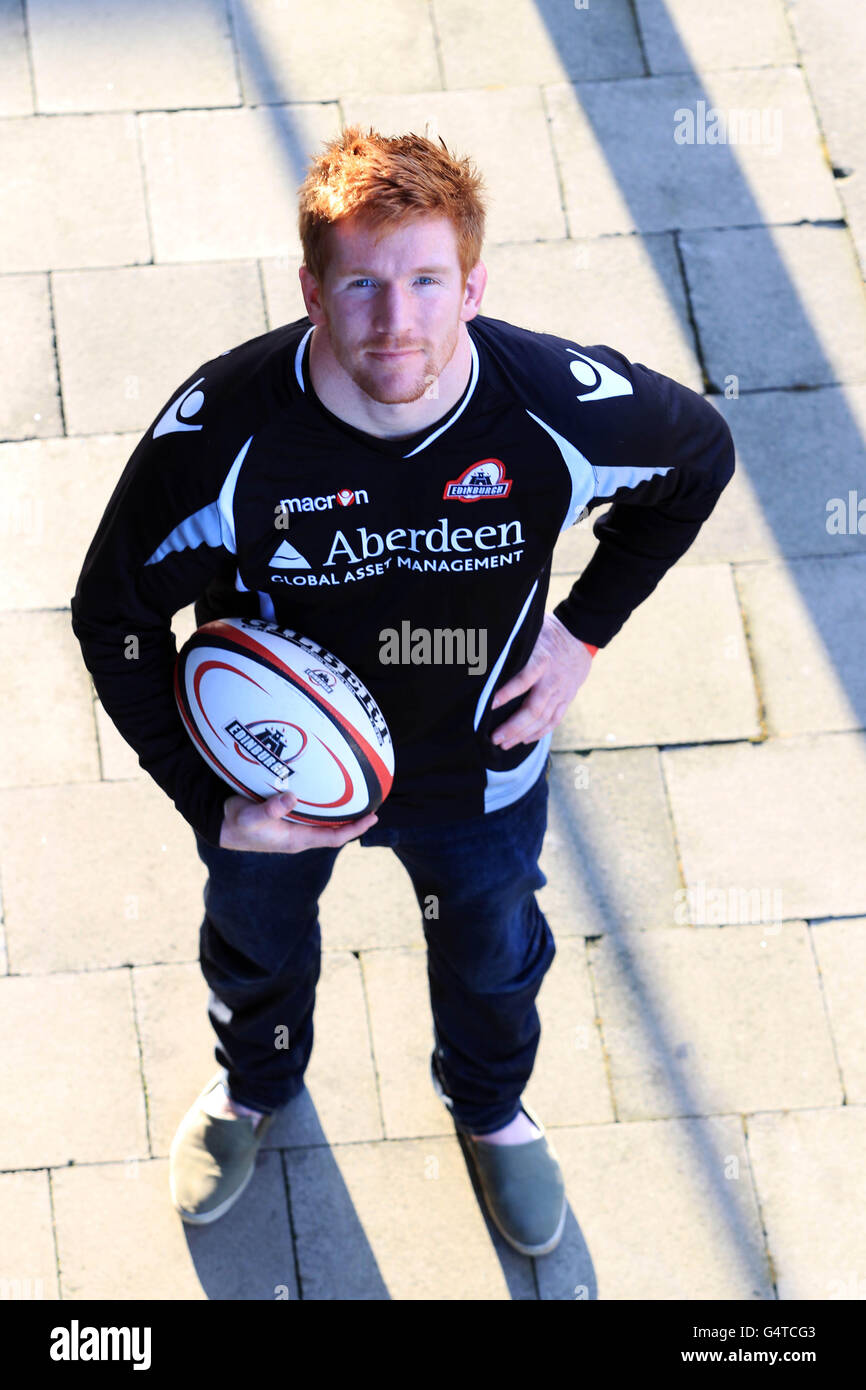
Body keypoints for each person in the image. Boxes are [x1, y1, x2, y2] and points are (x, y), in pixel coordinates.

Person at [70, 126, 735, 1259]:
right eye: (362, 284)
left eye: (428, 281)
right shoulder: (222, 440)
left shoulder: (551, 413)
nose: (396, 321)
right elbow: (111, 614)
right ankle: (254, 1081)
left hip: (477, 761)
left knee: (490, 954)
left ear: (473, 284)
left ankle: (488, 1106)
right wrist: (204, 797)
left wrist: (579, 636)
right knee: (254, 941)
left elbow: (696, 459)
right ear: (312, 292)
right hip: (278, 772)